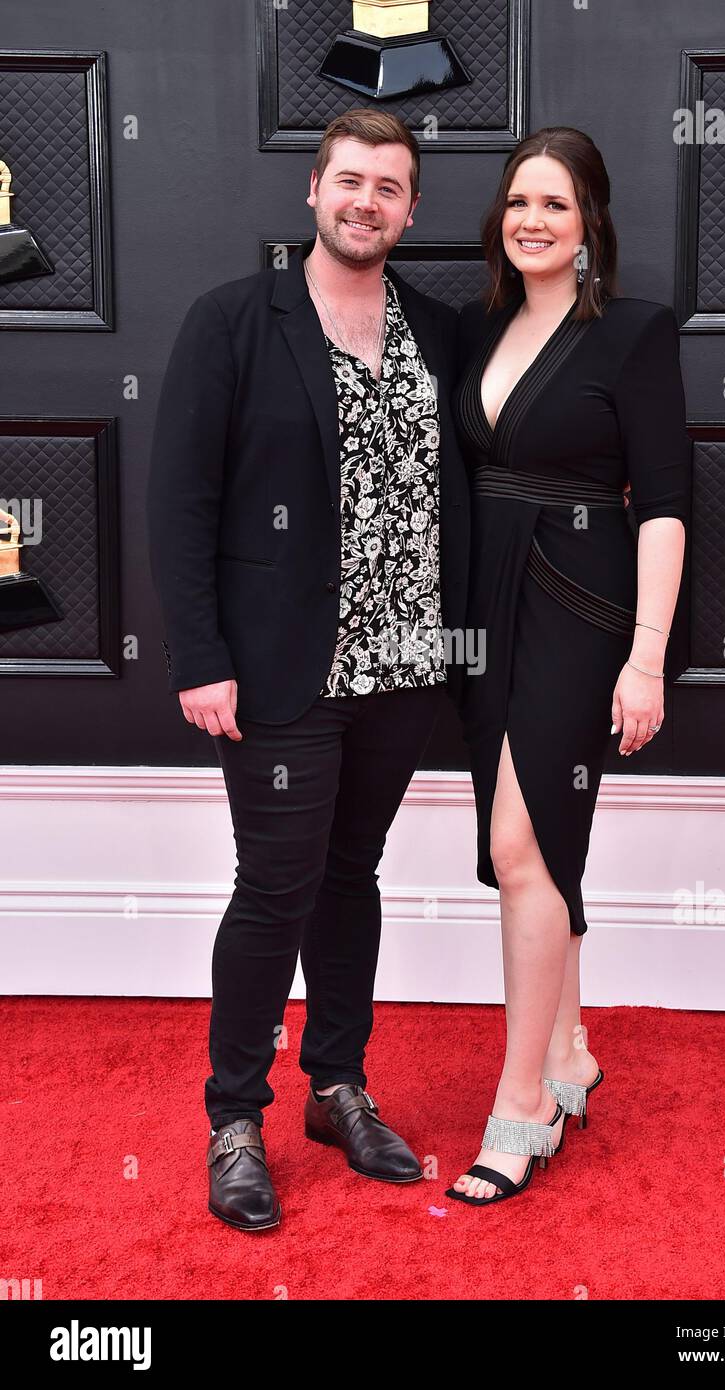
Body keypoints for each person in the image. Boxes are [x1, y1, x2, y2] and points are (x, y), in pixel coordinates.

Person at [146, 109, 470, 1231]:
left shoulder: (437, 330)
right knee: (274, 887)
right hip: (279, 668)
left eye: (388, 186)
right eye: (348, 180)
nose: (365, 200)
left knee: (351, 875)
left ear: (411, 209)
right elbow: (180, 502)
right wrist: (201, 656)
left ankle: (337, 1087)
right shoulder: (235, 322)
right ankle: (235, 1117)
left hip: (402, 664)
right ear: (313, 194)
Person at [446, 126, 691, 1205]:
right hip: (486, 601)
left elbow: (668, 504)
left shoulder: (634, 334)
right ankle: (571, 1048)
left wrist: (644, 659)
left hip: (583, 601)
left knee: (520, 838)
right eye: (515, 204)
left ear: (590, 223)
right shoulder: (479, 326)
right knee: (539, 848)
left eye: (553, 204)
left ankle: (523, 1103)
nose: (531, 221)